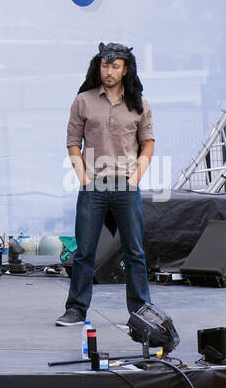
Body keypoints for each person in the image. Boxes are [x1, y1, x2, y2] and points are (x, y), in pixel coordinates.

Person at [56, 41, 155, 327]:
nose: (109, 71)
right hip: (93, 186)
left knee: (135, 251)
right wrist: (84, 179)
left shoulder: (139, 104)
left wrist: (136, 178)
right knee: (85, 252)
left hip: (126, 185)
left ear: (125, 70)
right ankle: (76, 310)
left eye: (115, 66)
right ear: (98, 66)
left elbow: (148, 145)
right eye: (104, 65)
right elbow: (73, 143)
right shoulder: (83, 101)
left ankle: (141, 312)